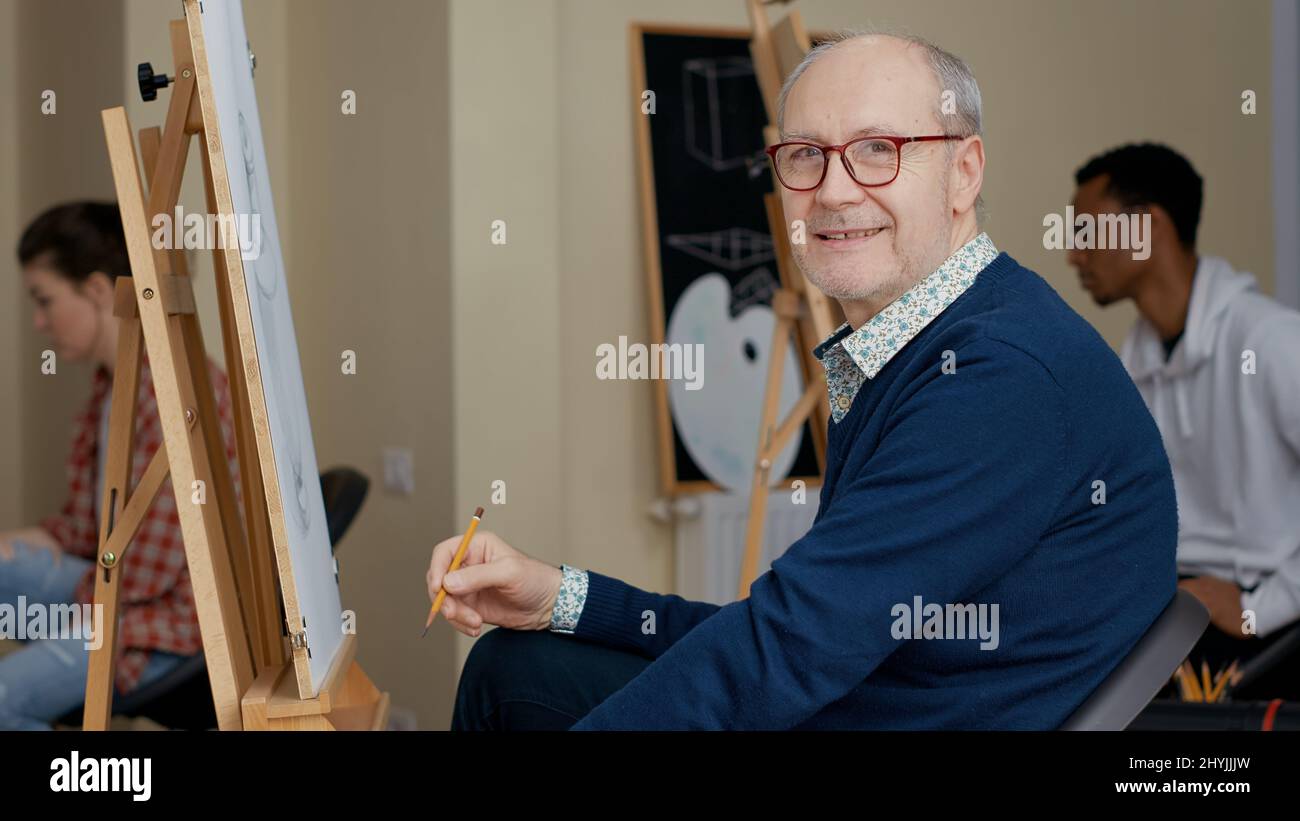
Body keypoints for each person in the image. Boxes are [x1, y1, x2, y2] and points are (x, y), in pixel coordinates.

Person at [430, 30, 1178, 730]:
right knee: (516, 665)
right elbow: (790, 626)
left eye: (878, 149)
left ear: (964, 171)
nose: (834, 191)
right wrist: (560, 597)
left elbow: (783, 651)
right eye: (804, 155)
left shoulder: (1001, 375)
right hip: (862, 696)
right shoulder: (923, 338)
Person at [1071, 143, 1300, 699]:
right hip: (1177, 610)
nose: (1074, 254)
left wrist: (1262, 606)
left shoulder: (1271, 341)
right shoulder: (1132, 359)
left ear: (1148, 227)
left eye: (1086, 231)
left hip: (1266, 622)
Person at [0, 202, 239, 729]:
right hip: (117, 592)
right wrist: (21, 544)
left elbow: (146, 575)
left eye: (45, 301)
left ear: (97, 291)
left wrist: (66, 618)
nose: (39, 322)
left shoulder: (170, 391)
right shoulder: (113, 387)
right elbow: (88, 530)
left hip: (162, 621)